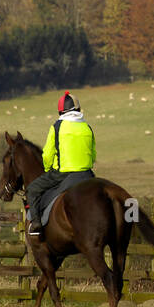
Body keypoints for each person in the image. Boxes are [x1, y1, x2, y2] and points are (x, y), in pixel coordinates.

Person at [25, 90, 96, 237]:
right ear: (77, 109)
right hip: (87, 174)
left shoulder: (57, 127)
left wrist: (47, 169)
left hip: (63, 173)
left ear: (61, 111)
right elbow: (93, 154)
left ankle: (37, 224)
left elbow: (48, 154)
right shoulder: (87, 127)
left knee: (32, 190)